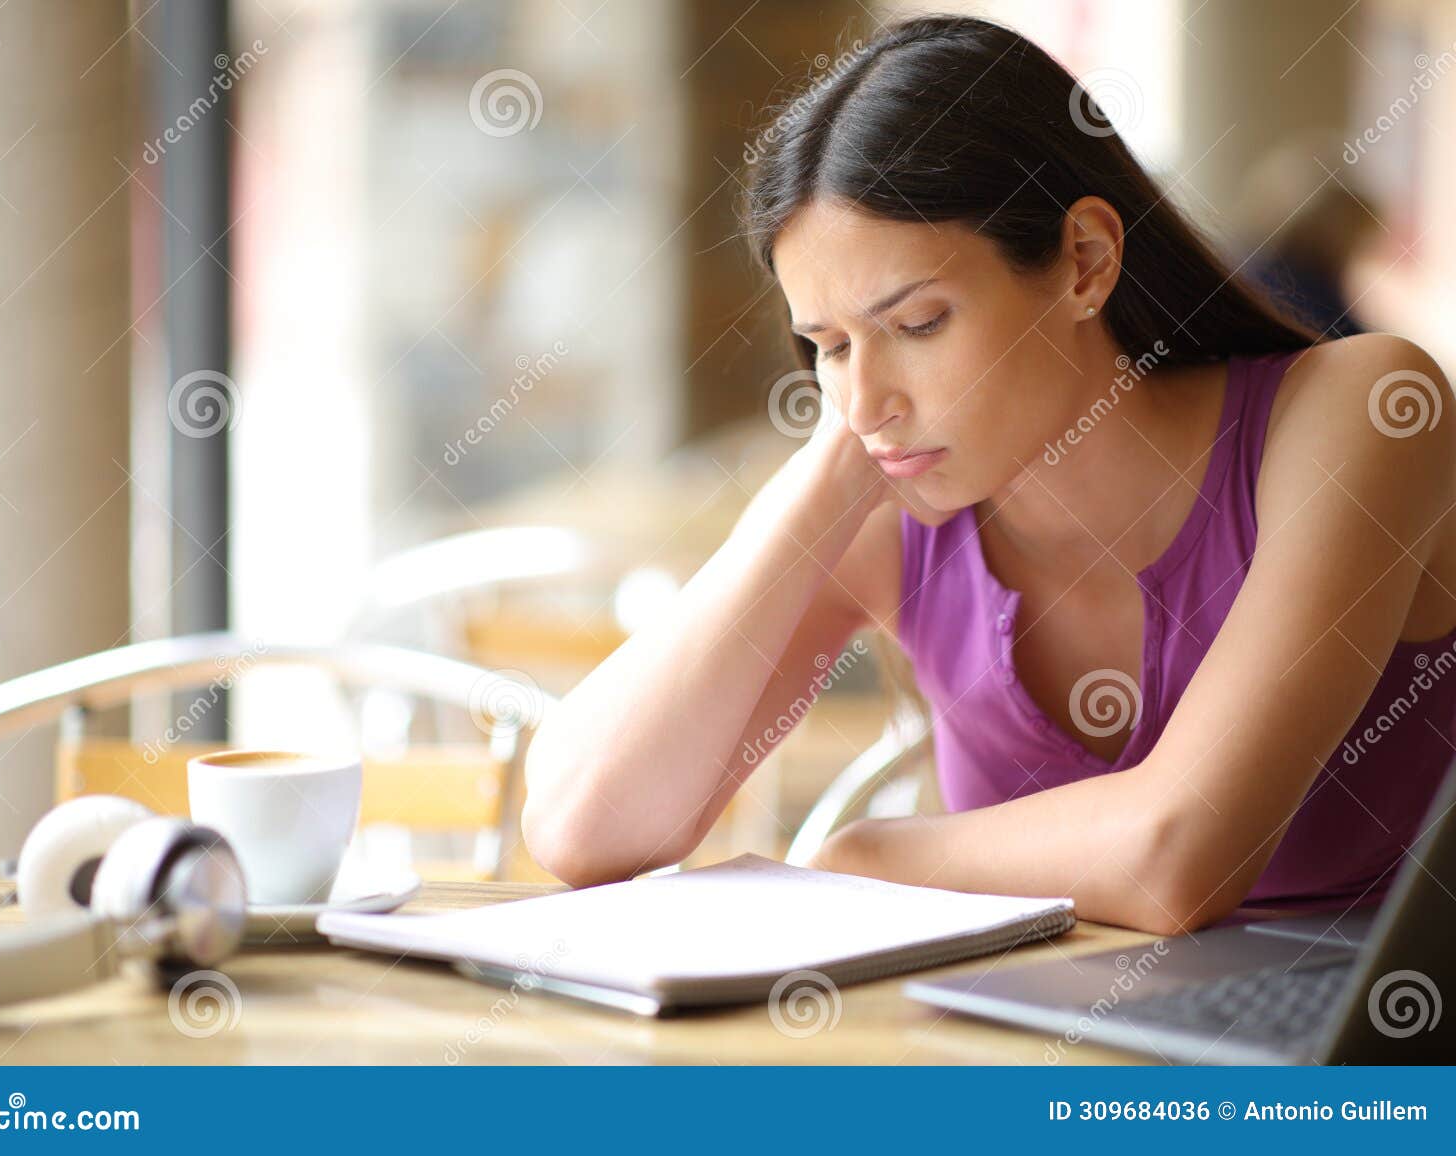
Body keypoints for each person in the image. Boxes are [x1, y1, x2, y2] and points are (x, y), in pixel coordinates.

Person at [521, 14, 1456, 934]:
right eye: (828, 346)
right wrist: (822, 483)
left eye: (919, 323)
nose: (866, 395)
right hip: (1015, 1053)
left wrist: (866, 859)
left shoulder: (1359, 411)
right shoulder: (891, 503)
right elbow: (583, 827)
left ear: (1084, 263)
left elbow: (1177, 858)